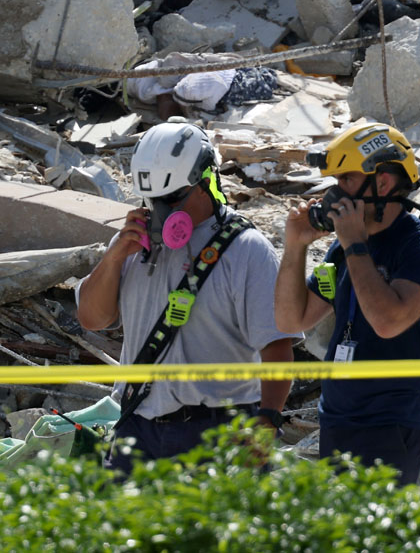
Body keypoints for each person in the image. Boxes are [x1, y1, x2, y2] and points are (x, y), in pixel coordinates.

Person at [77, 121, 295, 472]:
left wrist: (268, 419)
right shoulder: (134, 246)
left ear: (206, 182)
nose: (163, 210)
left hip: (218, 429)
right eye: (155, 200)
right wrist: (114, 256)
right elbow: (92, 318)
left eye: (173, 198)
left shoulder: (246, 250)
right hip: (138, 426)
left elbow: (277, 346)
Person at [274, 122, 420, 485]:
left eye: (346, 181)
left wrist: (355, 244)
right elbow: (290, 318)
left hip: (392, 426)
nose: (334, 193)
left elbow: (388, 321)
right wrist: (295, 246)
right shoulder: (342, 249)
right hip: (338, 421)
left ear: (383, 183)